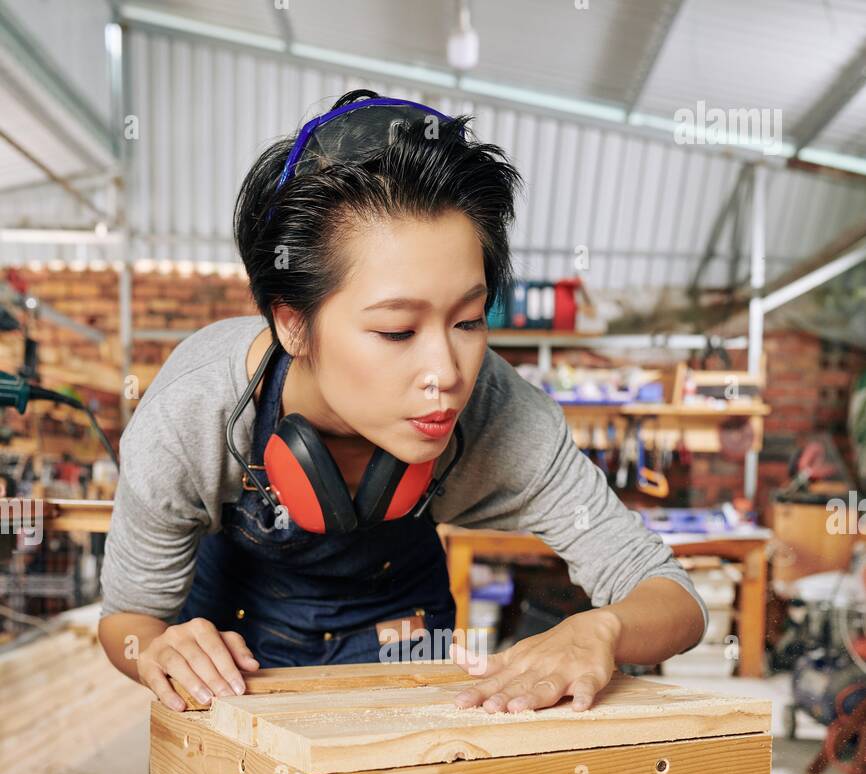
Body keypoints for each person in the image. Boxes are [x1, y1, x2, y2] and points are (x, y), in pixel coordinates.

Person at [98, 89, 708, 715]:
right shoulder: (192, 412)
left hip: (407, 655)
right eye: (397, 332)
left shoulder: (503, 414)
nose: (445, 373)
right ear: (294, 325)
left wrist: (597, 631)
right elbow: (126, 620)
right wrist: (159, 649)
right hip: (237, 679)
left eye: (468, 321)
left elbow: (674, 598)